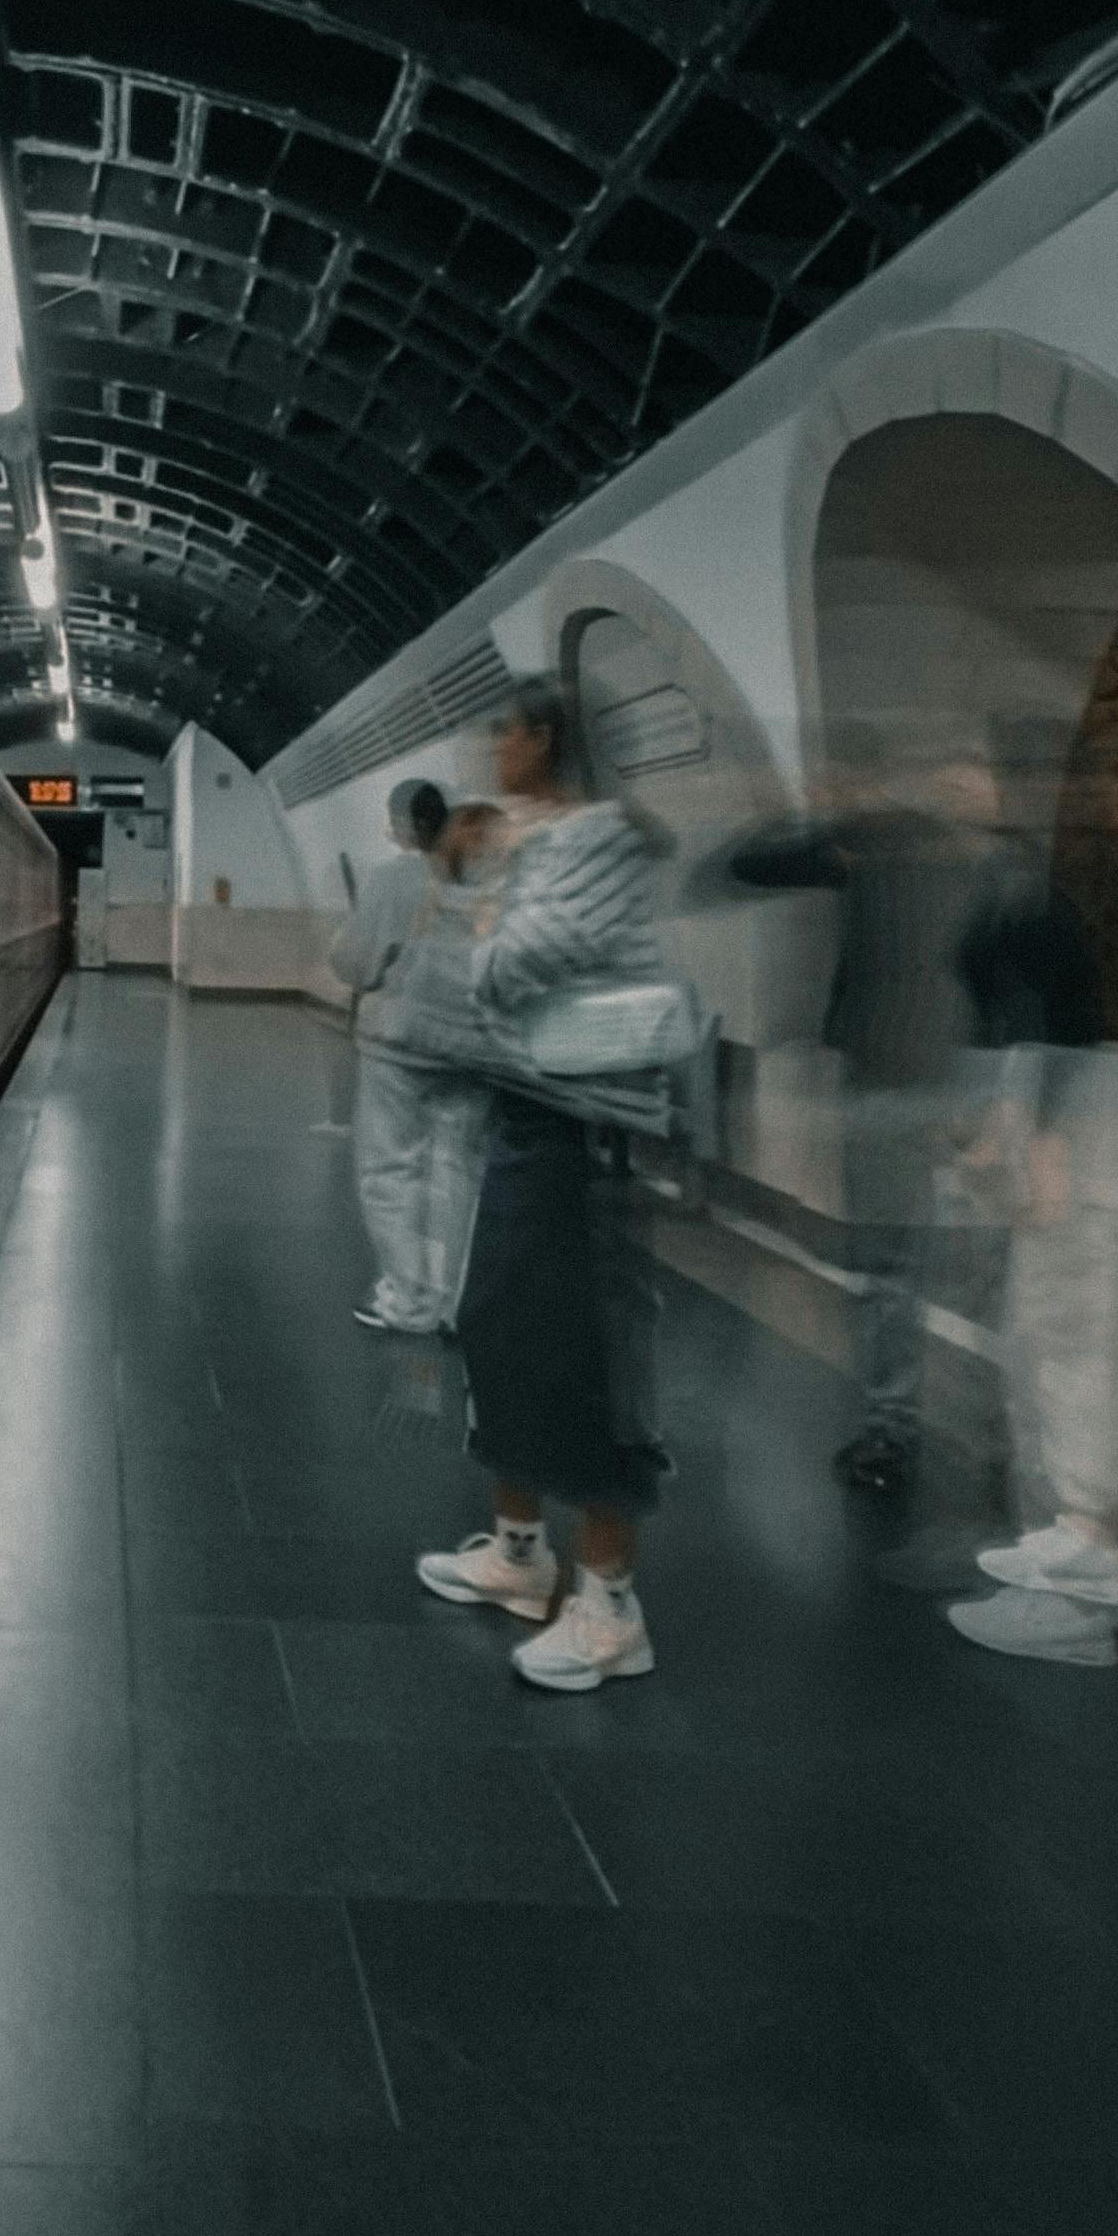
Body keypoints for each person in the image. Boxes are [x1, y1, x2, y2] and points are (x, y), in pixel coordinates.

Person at [413, 683, 669, 1691]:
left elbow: (514, 965)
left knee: (588, 1358)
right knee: (499, 1325)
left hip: (584, 1121)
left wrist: (490, 883)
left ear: (544, 738)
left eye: (501, 731)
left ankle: (610, 1607)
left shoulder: (593, 837)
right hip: (528, 1107)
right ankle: (520, 1551)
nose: (490, 749)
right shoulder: (528, 836)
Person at [729, 753, 1005, 1493]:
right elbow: (753, 863)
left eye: (972, 784)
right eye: (947, 782)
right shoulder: (885, 846)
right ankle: (897, 1431)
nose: (958, 795)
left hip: (965, 1083)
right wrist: (843, 813)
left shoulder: (1007, 869)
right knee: (895, 1273)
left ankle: (973, 1433)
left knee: (972, 1274)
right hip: (894, 1082)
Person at [940, 861, 1118, 1668]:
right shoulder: (1027, 899)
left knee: (1072, 1352)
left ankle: (1082, 1570)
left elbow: (1052, 1023)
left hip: (1086, 1147)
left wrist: (1041, 1141)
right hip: (1084, 1132)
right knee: (1046, 1350)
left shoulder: (1034, 906)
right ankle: (1070, 1548)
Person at [332, 781, 489, 1337]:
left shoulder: (391, 878)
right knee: (460, 1172)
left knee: (393, 1169)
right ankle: (454, 1303)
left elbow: (354, 963)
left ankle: (407, 1299)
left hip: (399, 1047)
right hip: (471, 1046)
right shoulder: (480, 876)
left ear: (402, 823)